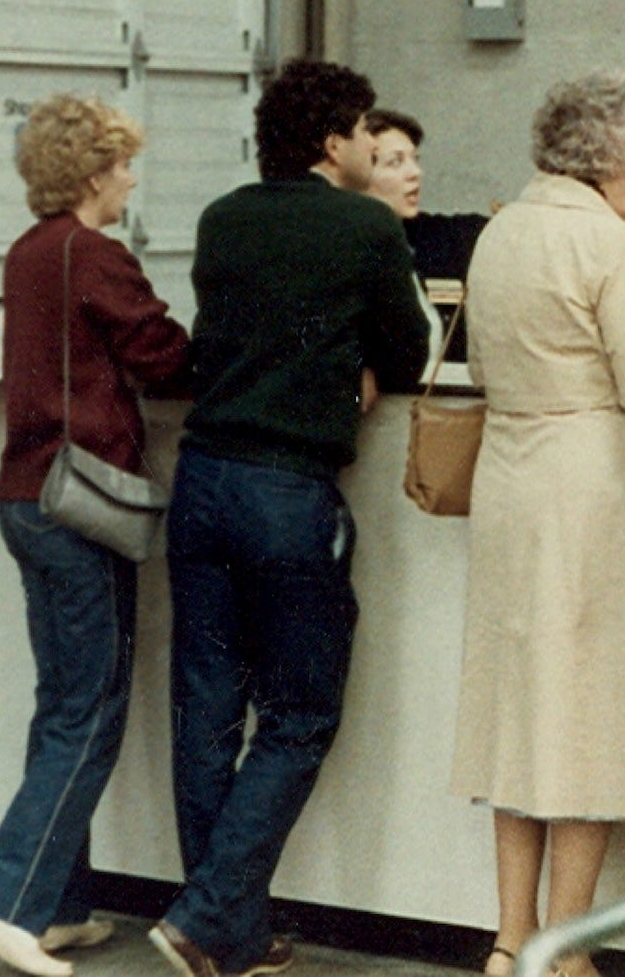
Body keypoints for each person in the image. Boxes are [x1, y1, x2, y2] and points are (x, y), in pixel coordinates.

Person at [154, 59, 432, 977]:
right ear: (331, 142)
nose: (368, 146)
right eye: (361, 131)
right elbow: (410, 345)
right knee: (300, 713)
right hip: (287, 488)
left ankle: (223, 934)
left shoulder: (221, 217)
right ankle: (203, 916)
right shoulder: (364, 225)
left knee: (206, 712)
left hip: (201, 477)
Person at [449, 70, 625, 977]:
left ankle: (509, 937)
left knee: (516, 713)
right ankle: (567, 948)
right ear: (617, 157)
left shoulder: (500, 231)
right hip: (589, 484)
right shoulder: (614, 245)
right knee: (588, 714)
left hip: (509, 476)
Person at [0, 96, 190, 977]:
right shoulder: (94, 252)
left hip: (24, 495)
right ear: (95, 173)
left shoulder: (26, 252)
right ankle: (6, 901)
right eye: (124, 163)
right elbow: (161, 352)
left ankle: (55, 904)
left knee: (63, 703)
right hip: (81, 497)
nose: (132, 175)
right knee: (89, 710)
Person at [363, 106, 625, 283]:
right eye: (396, 163)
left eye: (415, 159)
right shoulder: (340, 251)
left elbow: (557, 231)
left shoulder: (443, 238)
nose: (415, 172)